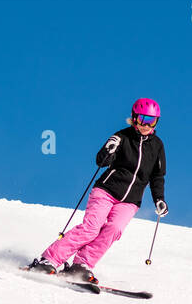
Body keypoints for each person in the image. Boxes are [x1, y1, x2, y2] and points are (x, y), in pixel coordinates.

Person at [28, 98, 168, 283]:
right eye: (143, 119)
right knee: (91, 228)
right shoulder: (122, 137)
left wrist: (159, 198)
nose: (146, 125)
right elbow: (101, 161)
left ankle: (81, 265)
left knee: (114, 229)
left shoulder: (157, 146)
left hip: (130, 201)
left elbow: (157, 176)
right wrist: (109, 150)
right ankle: (49, 259)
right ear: (134, 118)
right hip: (106, 191)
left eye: (152, 121)